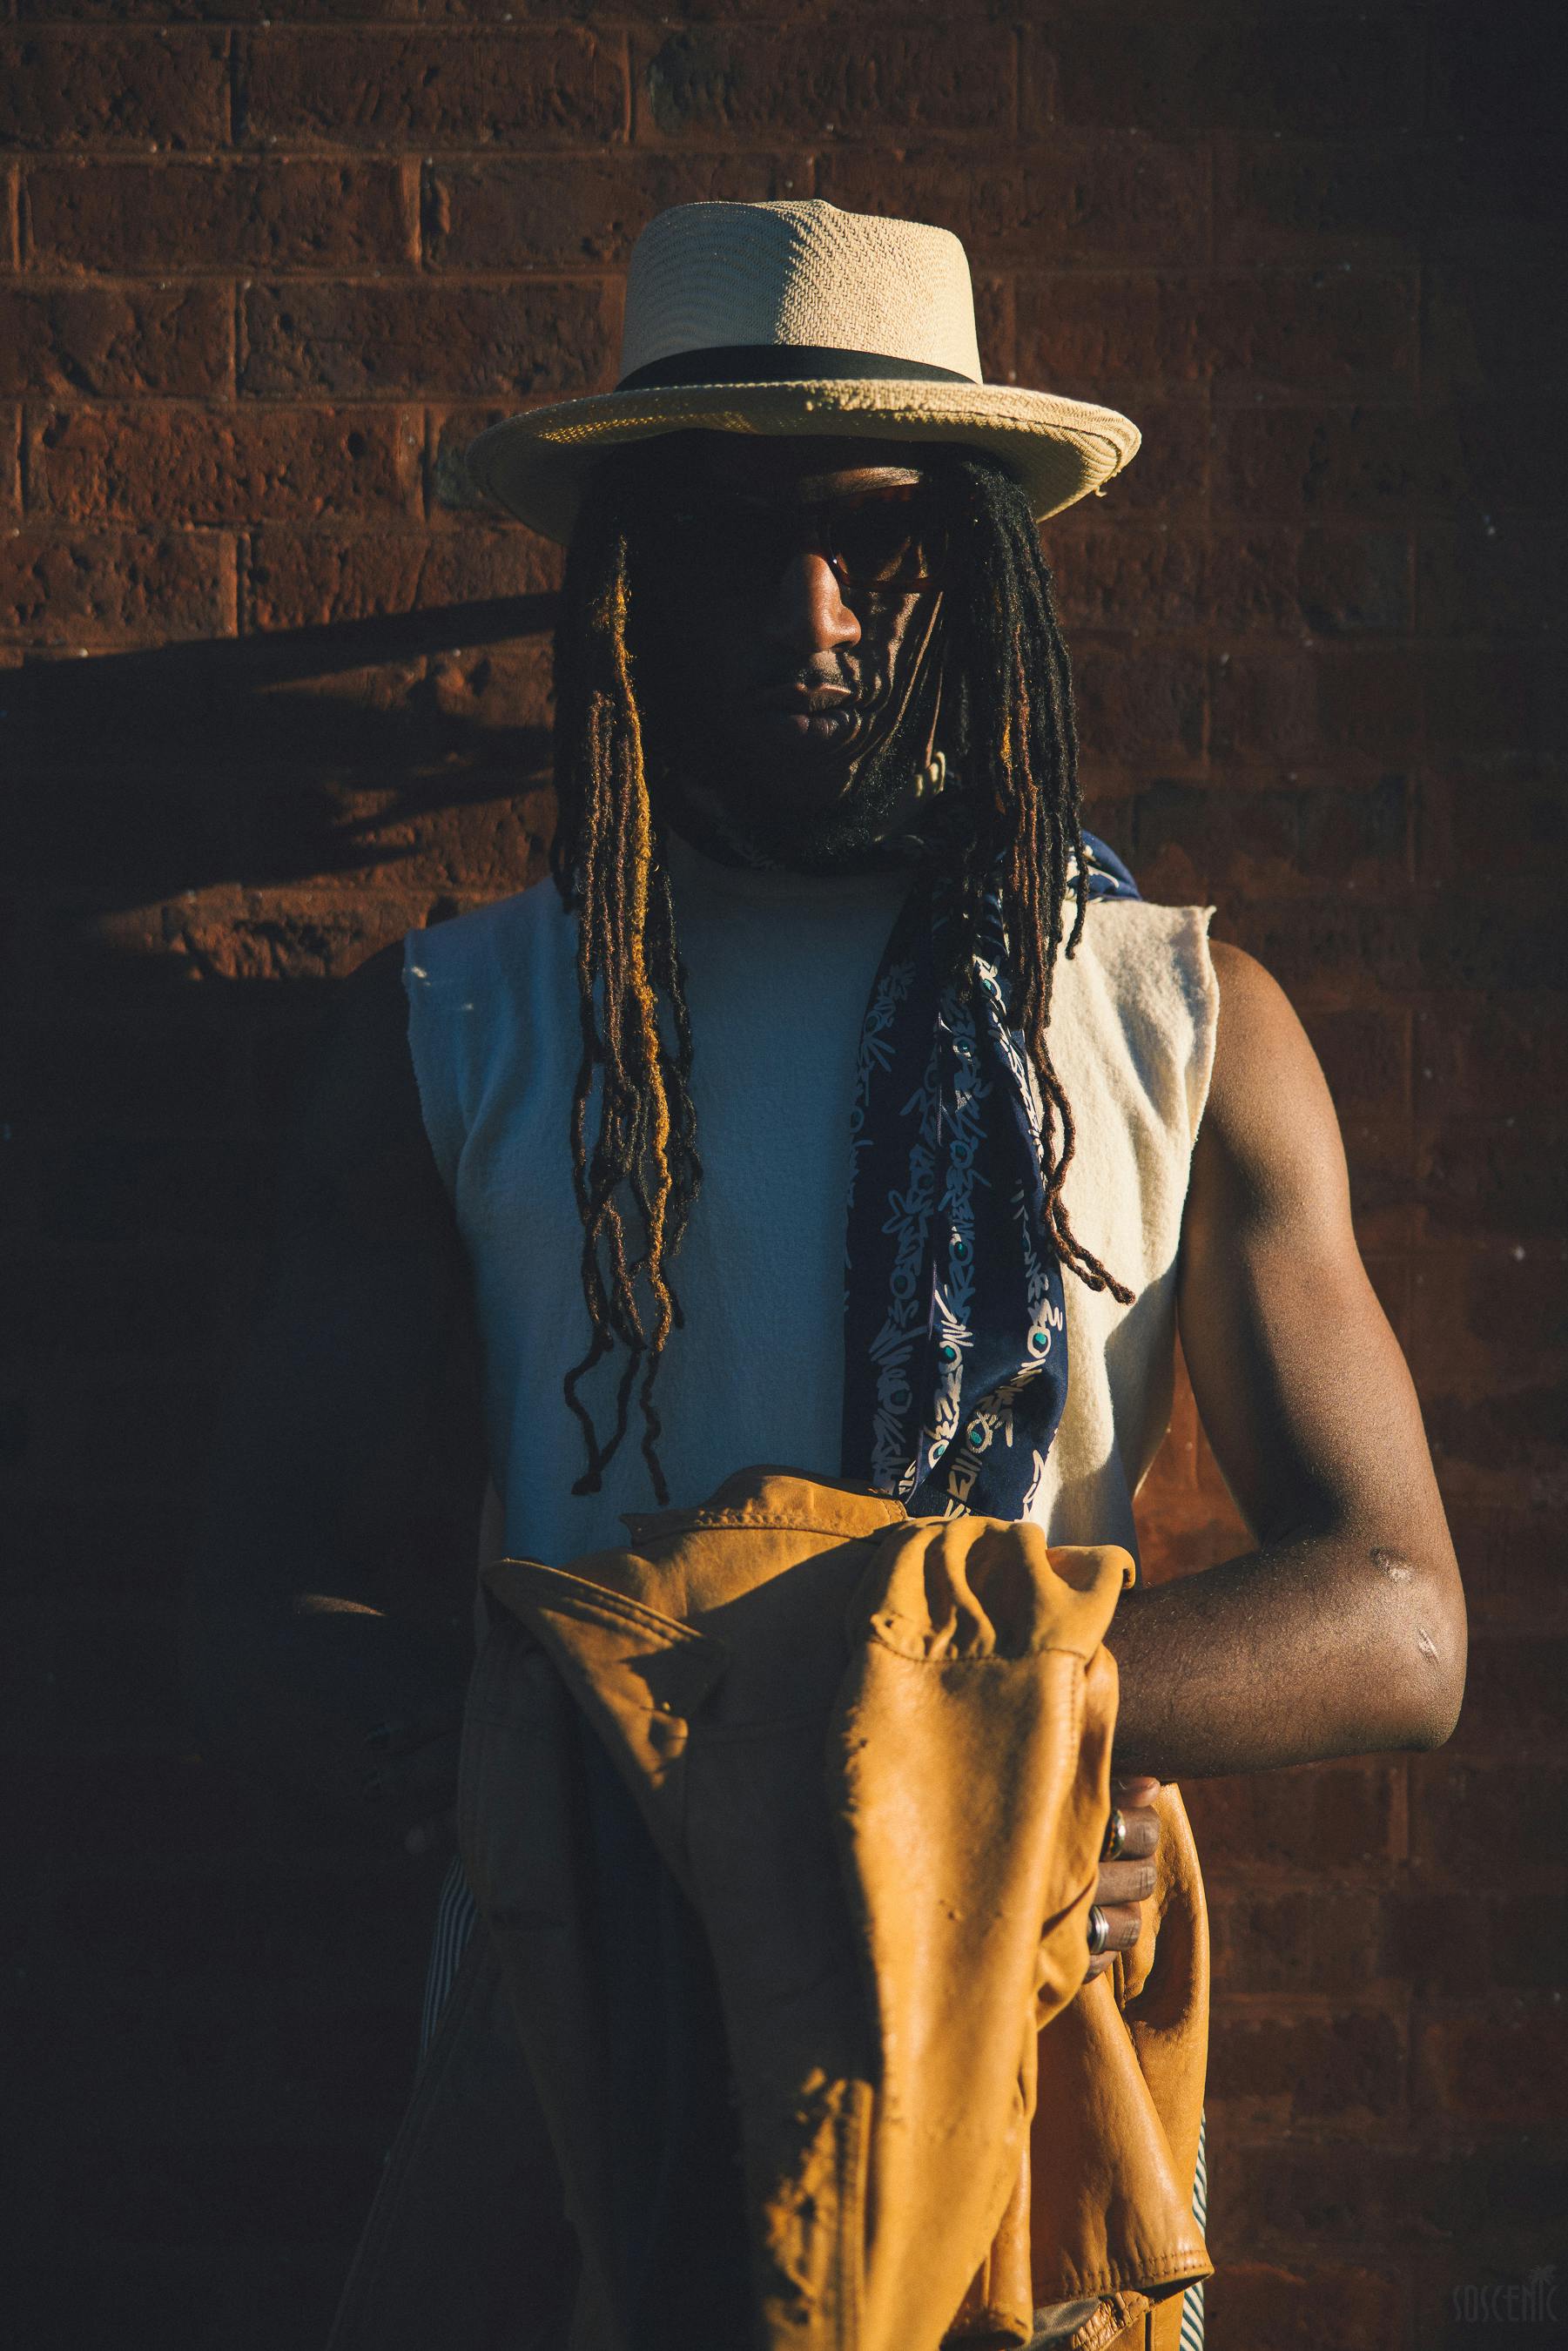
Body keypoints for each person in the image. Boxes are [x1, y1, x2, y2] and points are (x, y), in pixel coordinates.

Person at [184, 200, 1465, 2349]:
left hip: (1009, 2046)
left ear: (980, 578)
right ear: (623, 588)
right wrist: (571, 1761)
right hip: (582, 2088)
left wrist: (1042, 1742)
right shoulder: (469, 1033)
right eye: (726, 544)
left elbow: (1401, 1619)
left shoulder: (1176, 1027)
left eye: (878, 544)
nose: (812, 610)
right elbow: (251, 1611)